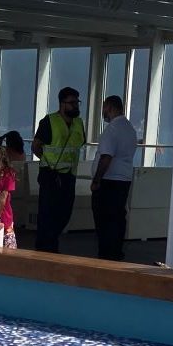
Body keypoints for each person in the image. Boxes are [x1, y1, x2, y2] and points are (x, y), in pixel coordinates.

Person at [32, 87, 86, 253]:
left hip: (69, 175)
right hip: (51, 173)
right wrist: (48, 162)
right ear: (62, 104)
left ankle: (50, 242)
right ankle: (46, 248)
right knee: (47, 213)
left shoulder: (78, 123)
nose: (76, 106)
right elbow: (36, 146)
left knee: (64, 213)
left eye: (77, 103)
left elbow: (79, 143)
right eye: (72, 103)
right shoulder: (49, 121)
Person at [89, 95, 137, 261]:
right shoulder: (130, 129)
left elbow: (106, 157)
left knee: (104, 219)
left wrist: (96, 180)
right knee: (117, 217)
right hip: (124, 180)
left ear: (109, 107)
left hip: (108, 182)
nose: (103, 112)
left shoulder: (112, 130)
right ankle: (116, 251)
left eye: (103, 108)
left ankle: (106, 253)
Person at [2, 130, 32, 237]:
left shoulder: (7, 152)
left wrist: (1, 137)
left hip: (10, 183)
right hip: (21, 184)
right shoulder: (22, 153)